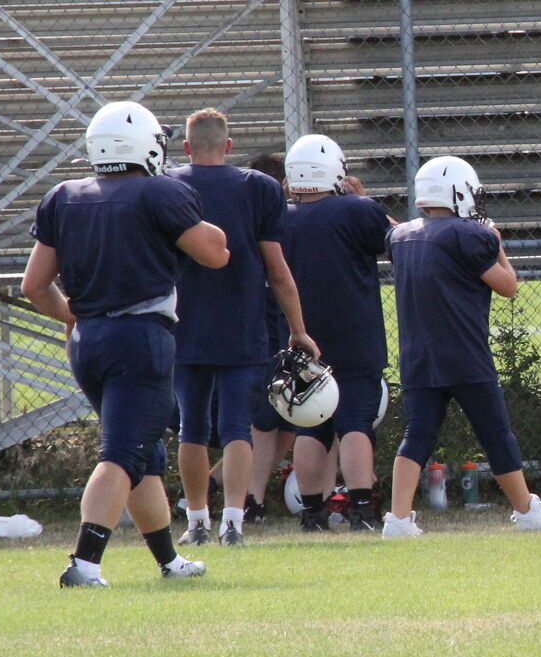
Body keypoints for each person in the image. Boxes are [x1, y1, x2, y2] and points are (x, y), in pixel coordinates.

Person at [23, 100, 230, 587]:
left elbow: (34, 286)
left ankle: (169, 561)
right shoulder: (158, 192)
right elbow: (216, 254)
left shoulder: (64, 195)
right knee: (121, 453)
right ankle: (84, 563)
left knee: (144, 458)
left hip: (88, 341)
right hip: (140, 337)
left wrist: (76, 314)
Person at [385, 156, 541, 536]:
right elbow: (508, 286)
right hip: (463, 352)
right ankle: (525, 510)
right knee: (495, 433)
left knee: (417, 434)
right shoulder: (470, 235)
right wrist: (497, 243)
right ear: (458, 192)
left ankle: (399, 518)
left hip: (418, 355)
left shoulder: (401, 236)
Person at [168, 108, 317, 547]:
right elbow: (278, 270)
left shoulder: (168, 187)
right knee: (236, 425)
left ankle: (197, 521)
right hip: (241, 320)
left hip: (184, 324)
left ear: (186, 148)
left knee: (191, 428)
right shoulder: (259, 188)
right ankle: (233, 520)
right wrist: (299, 328)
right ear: (229, 147)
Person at [278, 133, 395, 532]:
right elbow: (398, 239)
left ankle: (312, 511)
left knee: (310, 423)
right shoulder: (356, 211)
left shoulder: (280, 215)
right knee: (354, 421)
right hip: (354, 333)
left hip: (301, 334)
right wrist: (362, 199)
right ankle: (362, 506)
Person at [242, 150, 293, 524]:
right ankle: (251, 496)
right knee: (265, 418)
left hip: (282, 321)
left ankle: (228, 485)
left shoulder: (286, 219)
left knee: (292, 419)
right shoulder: (257, 220)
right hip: (264, 326)